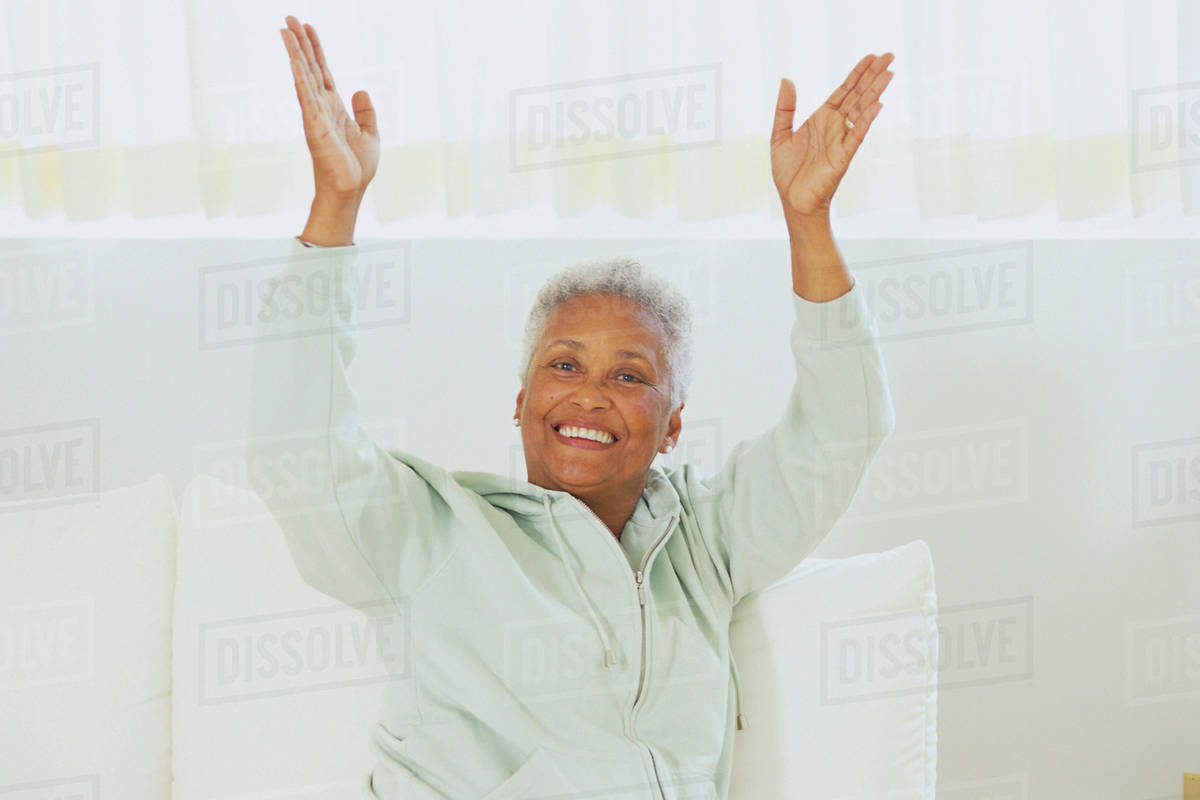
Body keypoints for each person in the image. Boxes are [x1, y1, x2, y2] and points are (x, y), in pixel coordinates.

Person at [249, 14, 896, 800]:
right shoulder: (435, 531)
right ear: (523, 401)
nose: (590, 393)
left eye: (630, 377)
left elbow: (842, 432)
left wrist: (809, 225)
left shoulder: (710, 543)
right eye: (564, 365)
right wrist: (334, 212)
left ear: (673, 425)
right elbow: (299, 451)